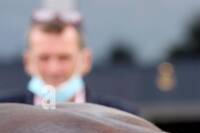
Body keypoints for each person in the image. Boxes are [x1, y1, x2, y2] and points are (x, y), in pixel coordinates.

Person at [0, 8, 139, 114]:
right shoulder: (4, 114)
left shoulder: (123, 117)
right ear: (27, 62)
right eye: (44, 58)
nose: (53, 69)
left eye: (64, 58)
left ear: (86, 60)